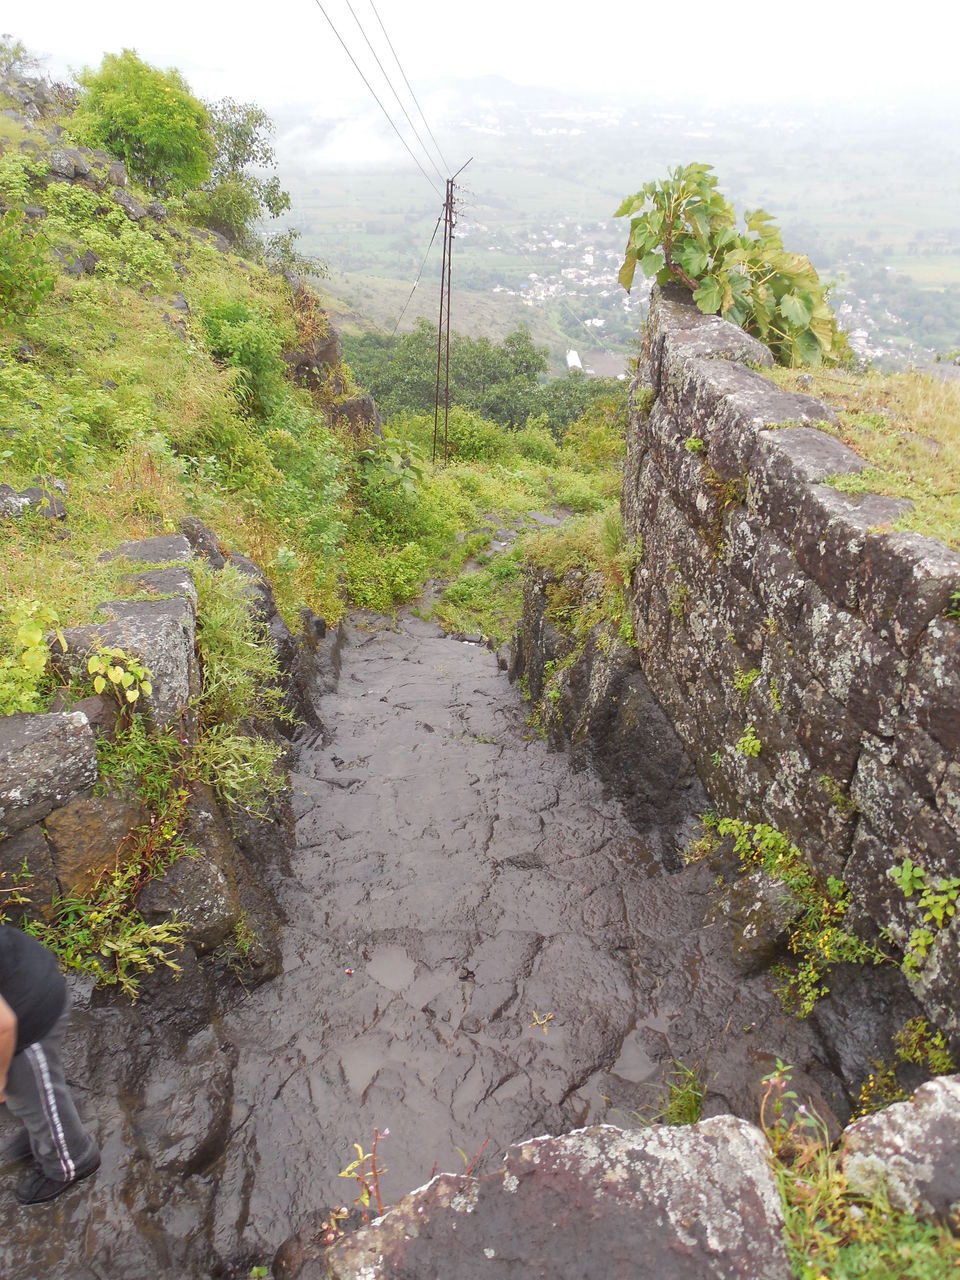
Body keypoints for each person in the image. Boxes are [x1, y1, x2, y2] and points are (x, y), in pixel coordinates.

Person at [0, 924, 100, 1204]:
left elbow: (4, 1026)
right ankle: (51, 1117)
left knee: (21, 1085)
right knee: (27, 1096)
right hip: (21, 969)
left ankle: (70, 1161)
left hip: (26, 1016)